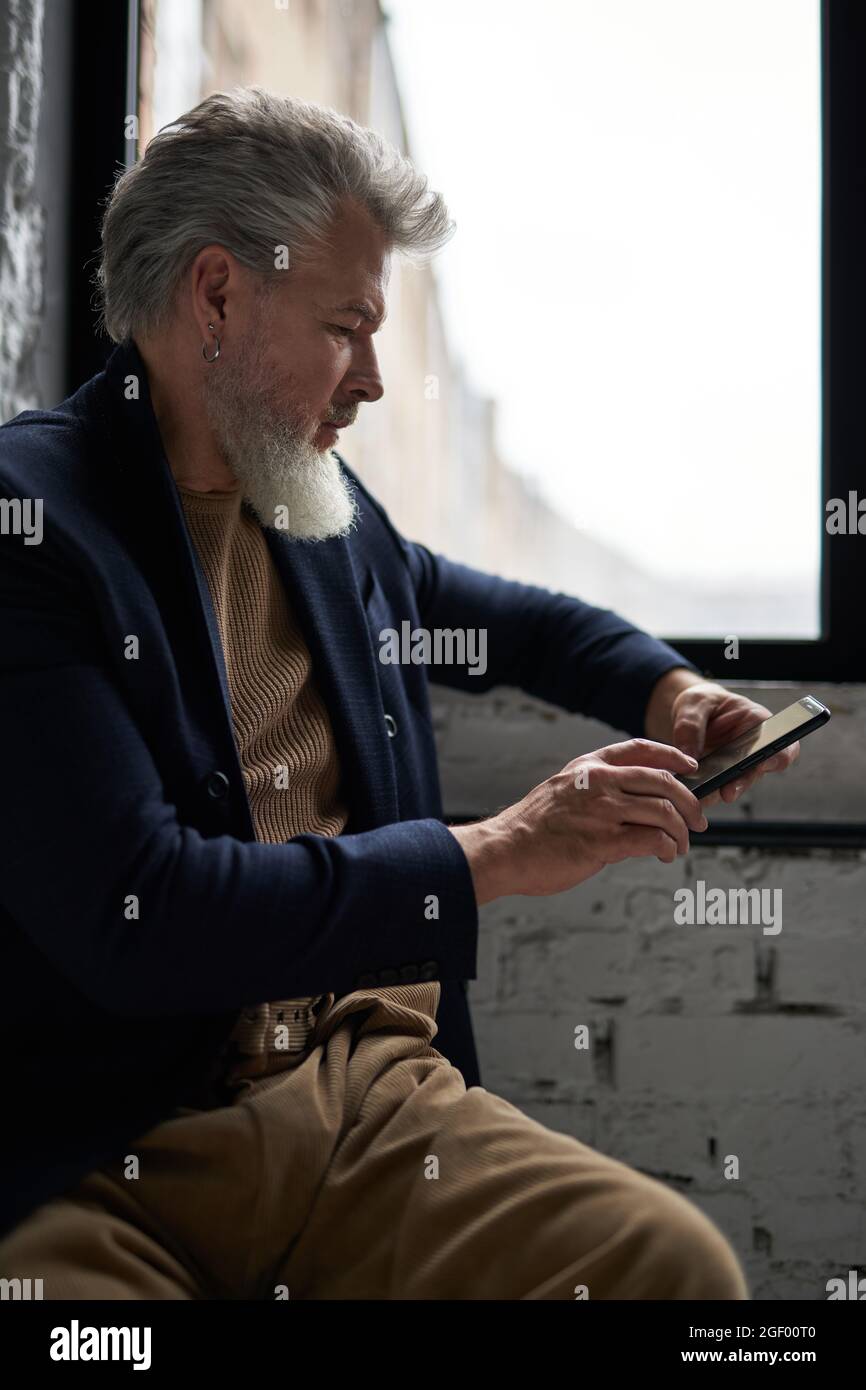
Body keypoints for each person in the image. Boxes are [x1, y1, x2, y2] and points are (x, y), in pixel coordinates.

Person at [0, 87, 796, 1299]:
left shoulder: (316, 505)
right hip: (106, 1154)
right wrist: (497, 849)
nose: (372, 378)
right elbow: (140, 911)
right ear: (215, 296)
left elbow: (505, 618)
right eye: (347, 326)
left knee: (667, 1269)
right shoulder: (31, 528)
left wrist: (666, 689)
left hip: (365, 1107)